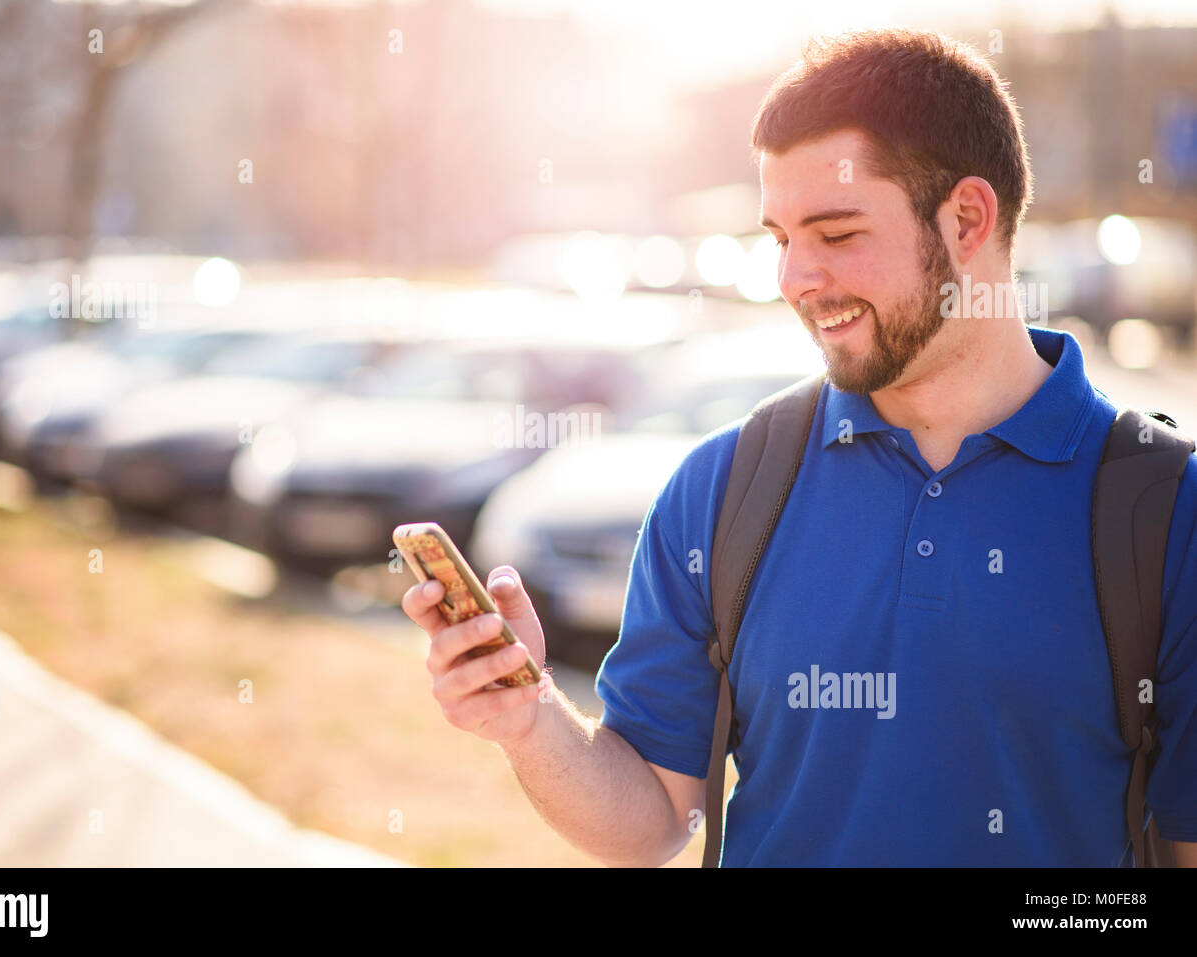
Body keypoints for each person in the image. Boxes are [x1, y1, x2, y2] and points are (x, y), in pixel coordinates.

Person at [401, 27, 1197, 866]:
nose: (793, 279)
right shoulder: (724, 489)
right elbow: (649, 822)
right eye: (781, 238)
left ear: (967, 219)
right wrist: (527, 722)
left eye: (837, 233)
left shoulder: (1165, 509)